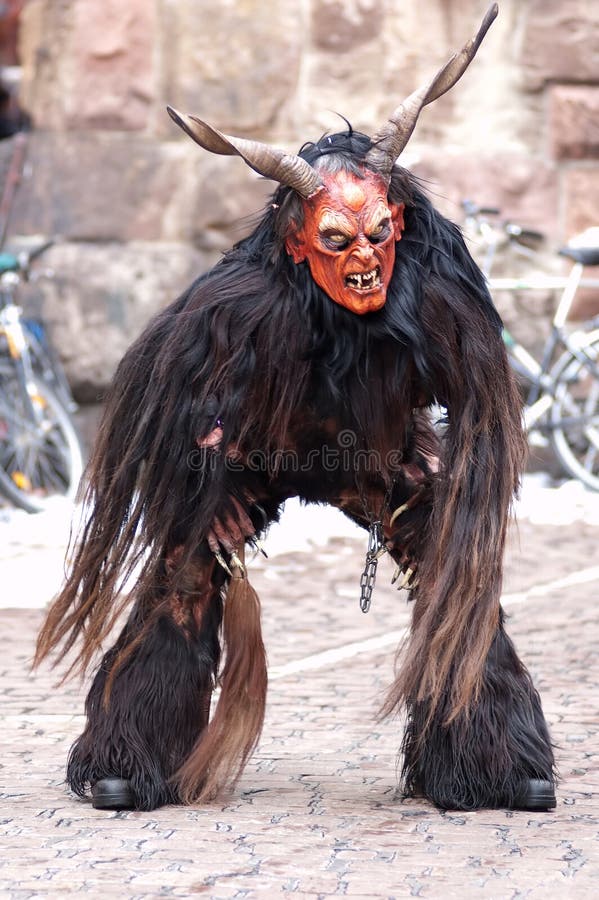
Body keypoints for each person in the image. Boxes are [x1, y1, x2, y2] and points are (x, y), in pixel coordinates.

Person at [35, 4, 556, 813]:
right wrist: (205, 471)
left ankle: (485, 756)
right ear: (294, 240)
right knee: (185, 568)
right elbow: (171, 401)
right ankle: (134, 753)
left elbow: (479, 403)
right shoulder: (237, 303)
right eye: (336, 240)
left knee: (451, 566)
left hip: (375, 457)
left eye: (378, 235)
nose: (362, 261)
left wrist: (439, 461)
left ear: (400, 223)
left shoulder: (437, 289)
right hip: (253, 457)